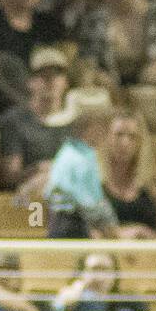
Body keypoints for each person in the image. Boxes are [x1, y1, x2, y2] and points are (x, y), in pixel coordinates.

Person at [43, 88, 118, 238]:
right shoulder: (78, 158)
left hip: (70, 225)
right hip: (73, 229)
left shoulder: (76, 153)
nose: (107, 129)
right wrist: (112, 230)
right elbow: (90, 204)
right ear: (90, 124)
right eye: (104, 123)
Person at [0, 47, 72, 193]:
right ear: (30, 82)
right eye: (43, 75)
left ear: (66, 82)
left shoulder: (74, 121)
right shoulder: (14, 121)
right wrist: (36, 169)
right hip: (28, 196)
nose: (50, 81)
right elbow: (10, 176)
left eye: (57, 75)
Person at [101, 108, 156, 235]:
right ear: (107, 138)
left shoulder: (155, 195)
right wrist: (119, 233)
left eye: (132, 136)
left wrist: (145, 234)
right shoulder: (94, 189)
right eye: (119, 134)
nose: (125, 142)